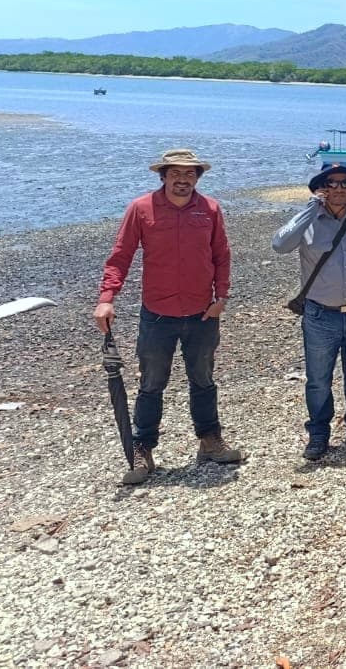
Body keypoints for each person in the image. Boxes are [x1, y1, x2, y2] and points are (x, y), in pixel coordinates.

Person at [94, 148, 244, 485]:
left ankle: (210, 440)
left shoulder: (210, 209)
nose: (182, 180)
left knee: (203, 379)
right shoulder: (141, 209)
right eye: (175, 173)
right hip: (157, 315)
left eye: (189, 174)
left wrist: (221, 297)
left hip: (202, 313)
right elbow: (120, 256)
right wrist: (107, 299)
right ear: (163, 176)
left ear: (197, 178)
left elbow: (222, 254)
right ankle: (143, 449)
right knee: (151, 384)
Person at [272, 162, 346, 461]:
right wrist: (311, 207)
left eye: (345, 182)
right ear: (321, 187)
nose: (338, 188)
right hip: (321, 316)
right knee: (318, 379)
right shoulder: (307, 220)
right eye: (331, 182)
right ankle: (319, 434)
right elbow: (280, 245)